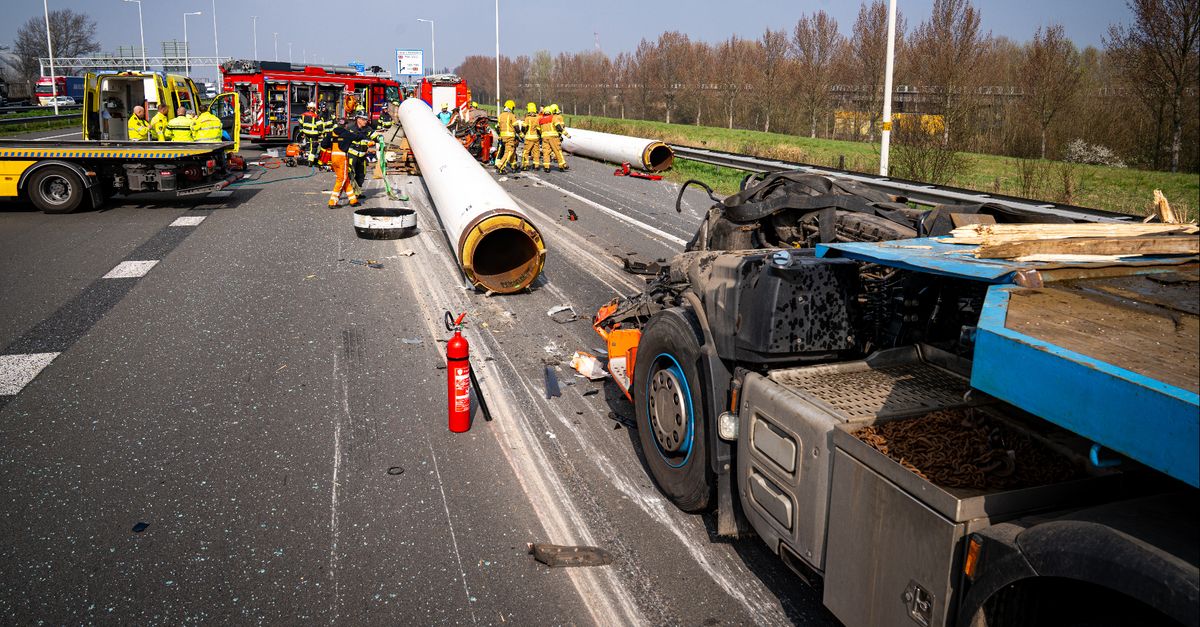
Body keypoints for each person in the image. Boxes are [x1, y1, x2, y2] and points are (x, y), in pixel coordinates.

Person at [539, 105, 567, 172]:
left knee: (546, 152)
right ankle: (561, 165)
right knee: (557, 150)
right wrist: (566, 134)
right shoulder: (553, 118)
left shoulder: (541, 120)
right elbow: (558, 127)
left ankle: (546, 167)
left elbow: (539, 130)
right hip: (553, 137)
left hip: (545, 138)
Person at [494, 100, 518, 172]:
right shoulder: (511, 115)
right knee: (509, 151)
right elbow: (516, 126)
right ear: (511, 107)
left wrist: (500, 135)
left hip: (503, 137)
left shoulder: (500, 115)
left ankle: (514, 166)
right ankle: (500, 166)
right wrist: (520, 134)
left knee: (511, 151)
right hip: (510, 137)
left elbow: (497, 127)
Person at [520, 102, 541, 171]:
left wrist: (523, 133)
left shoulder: (527, 118)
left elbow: (523, 127)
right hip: (536, 137)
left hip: (529, 137)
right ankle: (536, 165)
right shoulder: (537, 118)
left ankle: (525, 165)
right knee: (536, 151)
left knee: (526, 151)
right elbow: (539, 129)